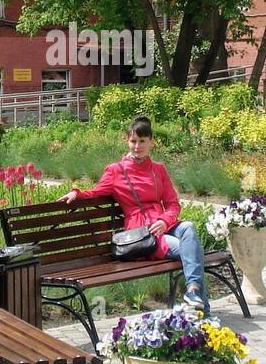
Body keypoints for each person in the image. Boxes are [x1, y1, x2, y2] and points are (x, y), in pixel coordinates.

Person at [62, 115, 210, 313]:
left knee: (189, 228)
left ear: (151, 142)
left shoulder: (159, 169)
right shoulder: (116, 170)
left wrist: (165, 221)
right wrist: (76, 192)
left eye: (142, 141)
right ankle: (202, 310)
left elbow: (173, 204)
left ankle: (194, 294)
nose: (137, 146)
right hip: (143, 233)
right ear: (127, 141)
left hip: (163, 225)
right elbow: (96, 192)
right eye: (133, 141)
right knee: (192, 252)